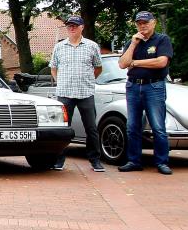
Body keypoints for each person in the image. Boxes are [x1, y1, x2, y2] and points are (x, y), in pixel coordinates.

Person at [117, 11, 174, 174]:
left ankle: (162, 162)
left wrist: (134, 63)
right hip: (133, 86)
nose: (142, 26)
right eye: (139, 23)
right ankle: (134, 161)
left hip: (154, 87)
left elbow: (161, 62)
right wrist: (134, 44)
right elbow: (122, 64)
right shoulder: (132, 42)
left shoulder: (162, 40)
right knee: (132, 126)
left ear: (153, 23)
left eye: (145, 22)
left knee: (158, 126)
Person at [49, 15, 105, 172]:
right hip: (65, 93)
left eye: (75, 25)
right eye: (69, 26)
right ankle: (59, 160)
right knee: (63, 128)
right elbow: (53, 67)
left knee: (91, 128)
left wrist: (88, 80)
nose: (71, 28)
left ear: (82, 27)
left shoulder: (92, 46)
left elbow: (98, 67)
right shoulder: (59, 47)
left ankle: (95, 160)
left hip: (85, 93)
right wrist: (59, 81)